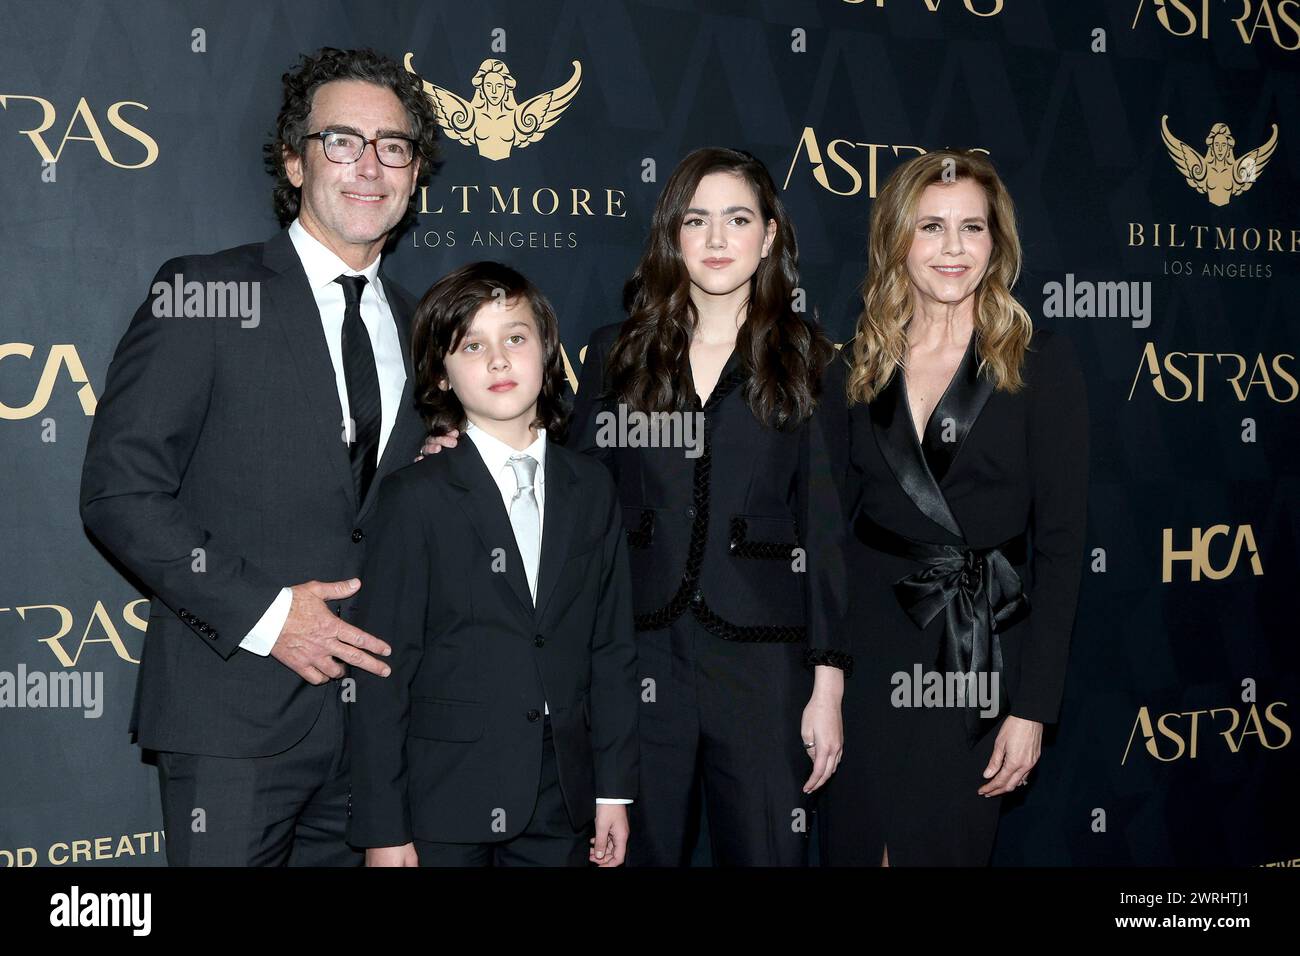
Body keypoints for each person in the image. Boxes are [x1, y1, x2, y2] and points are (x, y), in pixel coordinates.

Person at [428, 148, 854, 864]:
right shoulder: (616, 352)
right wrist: (470, 454)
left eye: (738, 219)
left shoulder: (812, 359)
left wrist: (828, 684)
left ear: (771, 234)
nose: (717, 240)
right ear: (671, 234)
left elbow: (828, 527)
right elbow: (575, 494)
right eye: (697, 220)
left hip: (764, 665)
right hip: (640, 653)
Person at [78, 47, 441, 866]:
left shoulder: (432, 330)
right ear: (293, 158)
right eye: (342, 140)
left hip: (381, 737)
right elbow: (118, 492)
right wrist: (271, 617)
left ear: (416, 174)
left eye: (394, 146)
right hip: (231, 723)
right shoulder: (205, 292)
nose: (369, 165)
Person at [819, 149, 1090, 866]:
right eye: (932, 227)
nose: (952, 249)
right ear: (896, 240)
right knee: (860, 847)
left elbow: (1062, 550)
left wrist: (1032, 707)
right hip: (871, 645)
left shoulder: (1040, 363)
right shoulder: (854, 365)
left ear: (996, 244)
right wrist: (825, 677)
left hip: (977, 649)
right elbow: (825, 539)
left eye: (972, 228)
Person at [347, 262, 639, 867]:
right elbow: (382, 673)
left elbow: (610, 649)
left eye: (516, 337)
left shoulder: (592, 488)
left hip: (563, 801)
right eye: (472, 345)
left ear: (548, 353)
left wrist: (612, 789)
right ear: (441, 375)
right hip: (442, 802)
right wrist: (383, 828)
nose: (499, 360)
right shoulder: (414, 497)